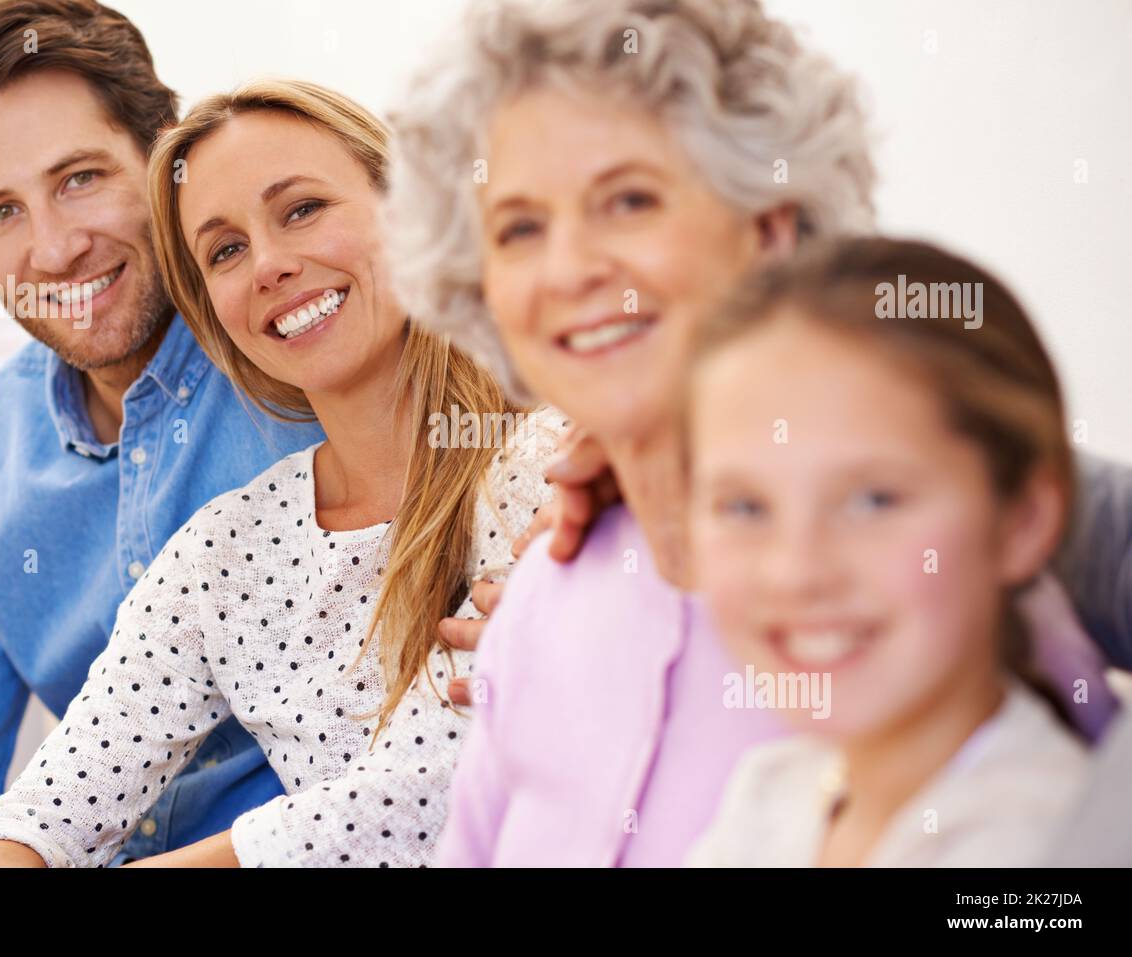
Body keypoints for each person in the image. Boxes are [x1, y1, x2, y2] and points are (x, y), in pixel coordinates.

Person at [381, 0, 1130, 866]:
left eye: (629, 200)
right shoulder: (542, 595)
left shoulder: (917, 611)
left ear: (770, 228)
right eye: (518, 228)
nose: (569, 268)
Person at [0, 78, 564, 868]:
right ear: (215, 312)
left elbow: (419, 802)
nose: (268, 264)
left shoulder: (550, 468)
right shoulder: (226, 551)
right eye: (226, 250)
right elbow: (48, 806)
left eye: (302, 209)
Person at [0, 0, 322, 868]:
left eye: (79, 178)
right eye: (0, 212)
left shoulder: (315, 360)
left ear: (167, 158)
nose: (55, 250)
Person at [686, 238, 1096, 866]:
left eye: (873, 501)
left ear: (1023, 521)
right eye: (744, 507)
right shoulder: (771, 793)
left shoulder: (1051, 850)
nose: (795, 572)